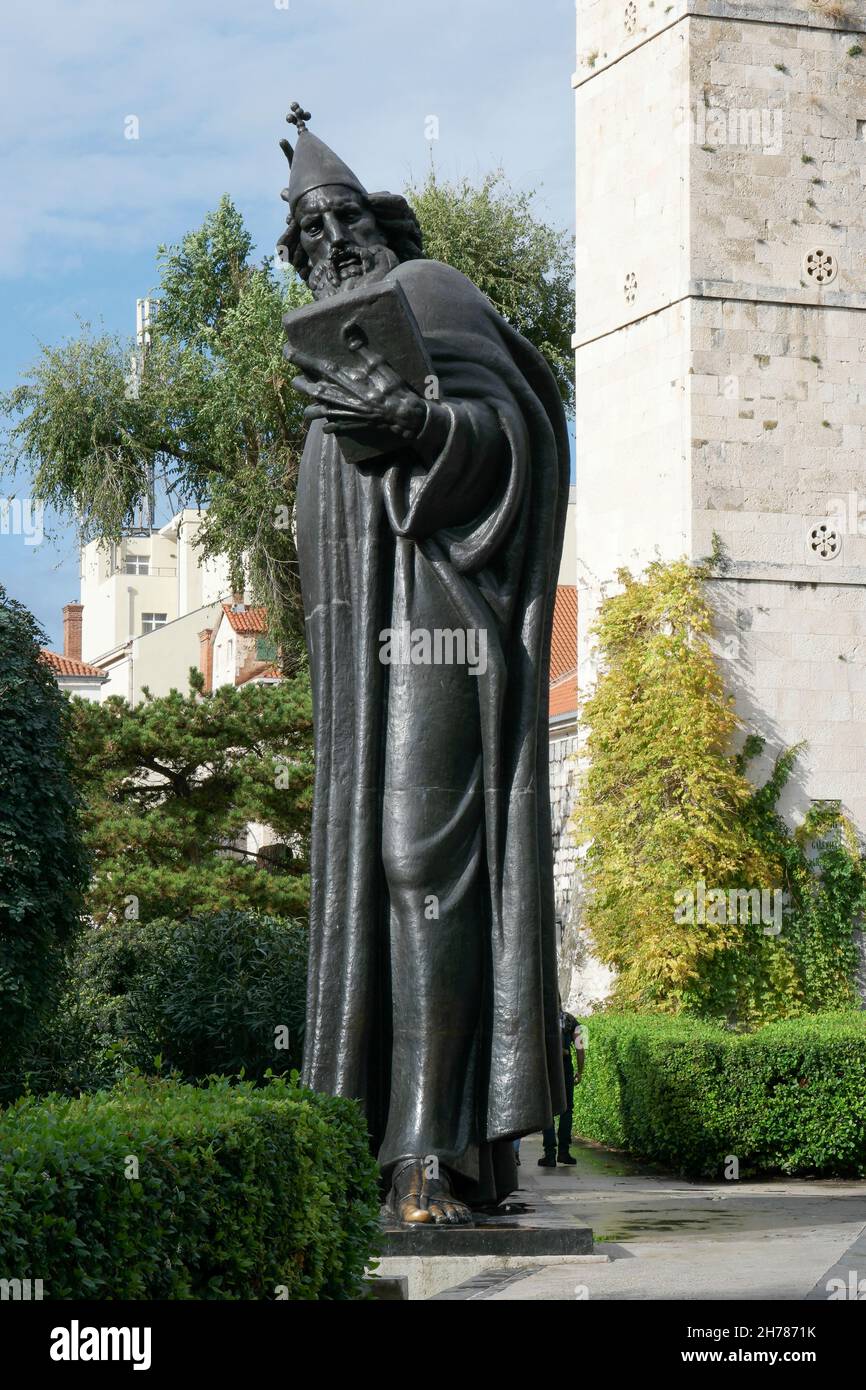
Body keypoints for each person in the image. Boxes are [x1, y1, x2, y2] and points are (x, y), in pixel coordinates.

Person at [277, 104, 570, 1225]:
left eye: (344, 217)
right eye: (311, 237)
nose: (332, 242)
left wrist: (419, 426)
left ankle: (426, 1152)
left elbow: (514, 433)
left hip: (447, 618)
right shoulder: (325, 343)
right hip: (367, 657)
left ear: (380, 219)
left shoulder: (435, 290)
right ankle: (421, 1153)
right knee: (378, 872)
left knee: (420, 863)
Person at [538, 1006, 580, 1167]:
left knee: (547, 1109)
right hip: (565, 1068)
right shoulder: (571, 1020)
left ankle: (549, 1154)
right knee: (567, 1108)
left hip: (547, 1066)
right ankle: (564, 1152)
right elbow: (580, 1047)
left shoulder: (541, 1018)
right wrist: (580, 1071)